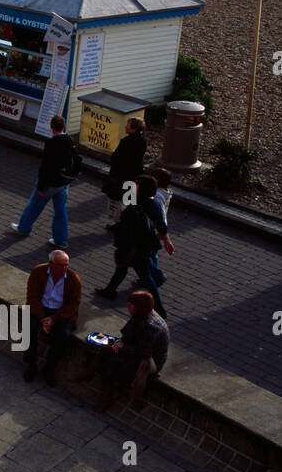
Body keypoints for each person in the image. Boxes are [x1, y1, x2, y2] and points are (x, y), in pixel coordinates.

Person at [95, 174, 172, 314]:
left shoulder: (136, 205)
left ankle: (159, 308)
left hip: (131, 246)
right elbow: (161, 225)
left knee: (134, 271)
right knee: (132, 271)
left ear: (141, 188)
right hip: (145, 246)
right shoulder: (154, 204)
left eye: (136, 184)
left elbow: (125, 224)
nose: (134, 186)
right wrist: (167, 240)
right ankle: (110, 290)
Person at [81, 290, 169, 411]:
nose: (128, 307)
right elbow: (130, 335)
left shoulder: (151, 326)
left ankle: (103, 394)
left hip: (149, 362)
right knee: (107, 351)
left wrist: (123, 347)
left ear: (139, 307)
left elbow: (144, 352)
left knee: (111, 364)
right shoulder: (142, 315)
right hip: (137, 351)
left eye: (130, 305)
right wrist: (121, 343)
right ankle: (88, 374)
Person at [11, 114, 81, 248]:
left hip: (50, 183)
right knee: (60, 211)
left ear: (51, 127)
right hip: (64, 183)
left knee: (35, 205)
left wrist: (41, 187)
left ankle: (23, 228)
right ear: (64, 126)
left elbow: (46, 168)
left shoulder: (51, 143)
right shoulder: (69, 140)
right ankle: (61, 241)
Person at [22, 249, 82, 385]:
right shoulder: (38, 272)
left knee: (64, 336)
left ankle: (50, 368)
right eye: (60, 265)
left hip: (61, 312)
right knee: (28, 328)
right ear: (51, 264)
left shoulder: (73, 279)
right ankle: (31, 363)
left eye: (66, 265)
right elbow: (32, 297)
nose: (64, 268)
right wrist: (43, 318)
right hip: (40, 309)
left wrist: (54, 319)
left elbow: (74, 304)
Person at [102, 117, 147, 227]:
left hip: (120, 177)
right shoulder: (143, 141)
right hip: (133, 176)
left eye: (128, 125)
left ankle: (118, 223)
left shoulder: (126, 141)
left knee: (117, 201)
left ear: (134, 128)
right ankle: (128, 223)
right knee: (129, 201)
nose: (125, 126)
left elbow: (117, 158)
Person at [148, 167, 173, 287]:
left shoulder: (157, 196)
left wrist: (164, 235)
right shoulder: (165, 193)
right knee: (152, 253)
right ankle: (151, 275)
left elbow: (160, 216)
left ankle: (157, 276)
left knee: (147, 255)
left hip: (153, 229)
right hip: (158, 230)